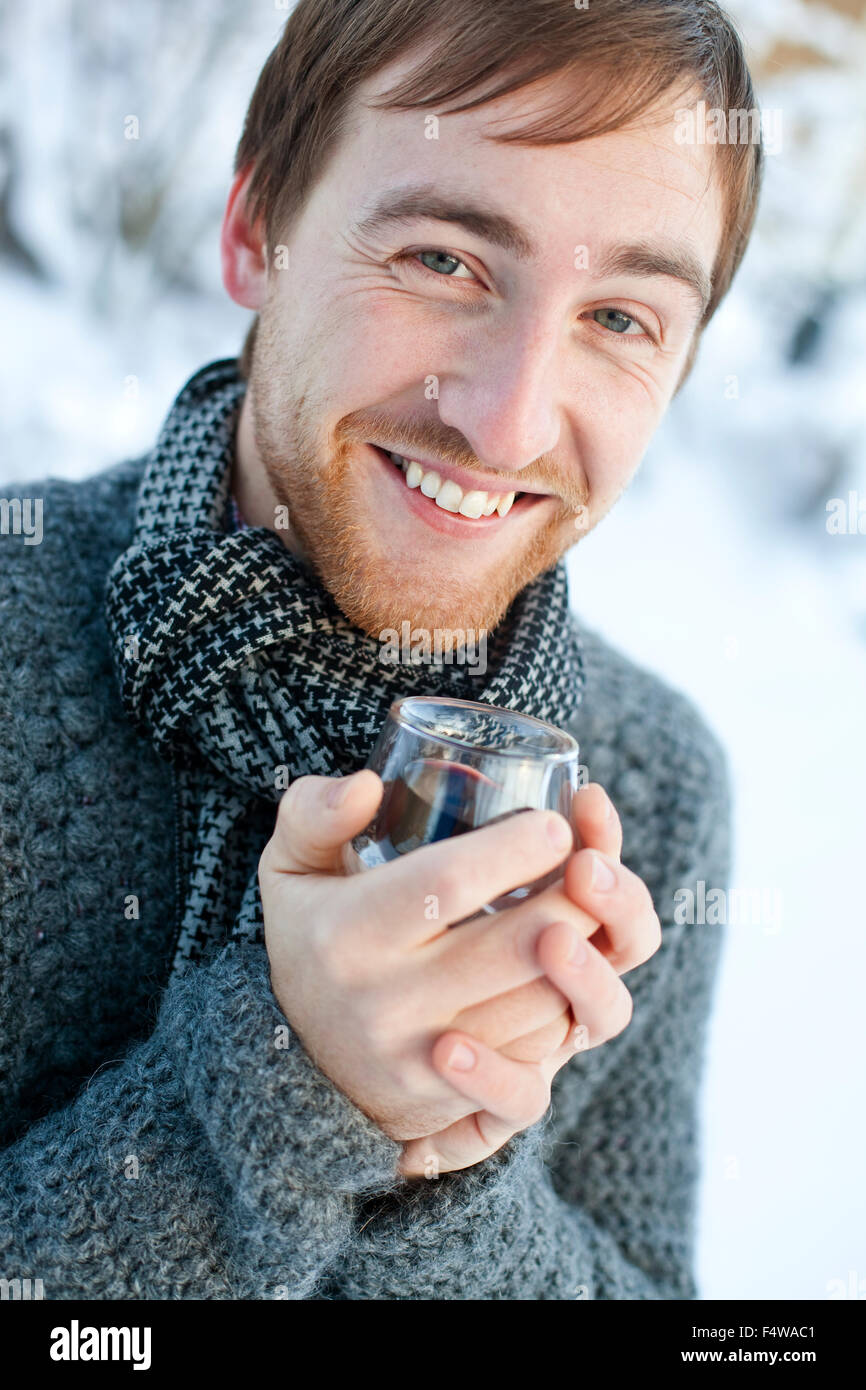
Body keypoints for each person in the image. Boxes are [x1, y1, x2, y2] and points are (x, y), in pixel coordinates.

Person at [0, 0, 761, 1300]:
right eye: (442, 259)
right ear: (256, 233)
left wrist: (442, 1156)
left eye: (620, 319)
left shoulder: (652, 784)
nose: (508, 419)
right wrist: (289, 1088)